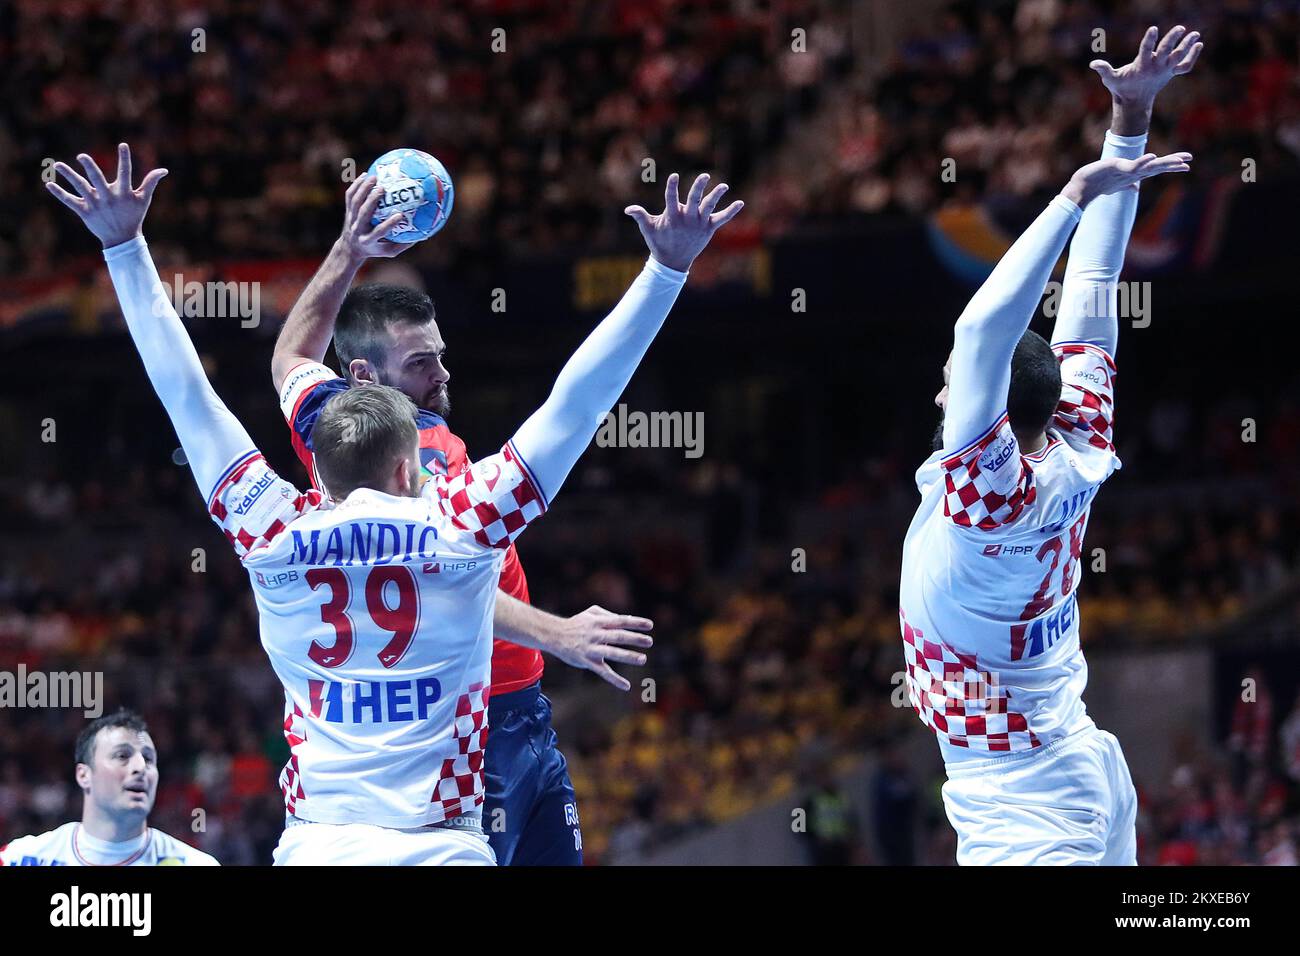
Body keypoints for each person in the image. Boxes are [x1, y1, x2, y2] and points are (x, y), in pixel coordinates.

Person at [46, 143, 741, 864]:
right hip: (440, 849)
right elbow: (578, 403)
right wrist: (666, 271)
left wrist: (125, 248)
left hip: (319, 849)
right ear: (414, 465)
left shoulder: (273, 529)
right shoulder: (461, 527)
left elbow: (186, 391)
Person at [272, 176, 665, 862]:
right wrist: (559, 634)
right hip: (476, 722)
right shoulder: (419, 459)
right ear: (366, 376)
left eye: (441, 356)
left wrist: (347, 249)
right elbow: (441, 578)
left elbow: (291, 356)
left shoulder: (327, 422)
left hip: (520, 708)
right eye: (423, 364)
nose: (443, 375)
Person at [899, 25, 1200, 865]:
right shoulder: (1076, 429)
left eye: (953, 386)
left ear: (985, 405)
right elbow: (1095, 284)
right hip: (1076, 763)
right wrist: (1128, 124)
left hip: (1024, 797)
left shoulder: (987, 493)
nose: (940, 389)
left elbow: (982, 328)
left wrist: (1072, 191)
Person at [1, 708, 219, 866]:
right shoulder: (21, 859)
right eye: (122, 755)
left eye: (148, 759)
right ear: (84, 775)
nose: (141, 767)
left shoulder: (194, 864)